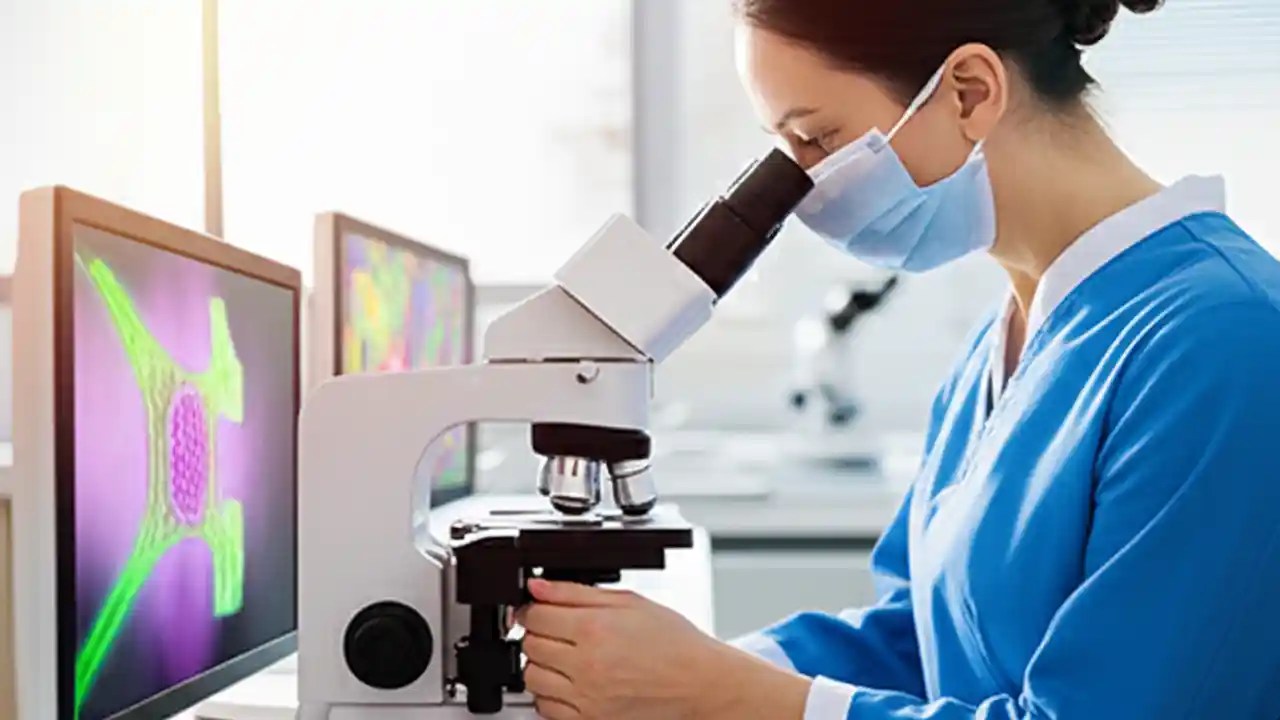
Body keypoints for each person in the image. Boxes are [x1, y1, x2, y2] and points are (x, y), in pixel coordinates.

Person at [515, 0, 1280, 717]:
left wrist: (725, 692)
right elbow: (919, 637)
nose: (801, 189)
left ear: (971, 93)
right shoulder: (1004, 341)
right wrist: (675, 664)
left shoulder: (1225, 342)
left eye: (816, 140)